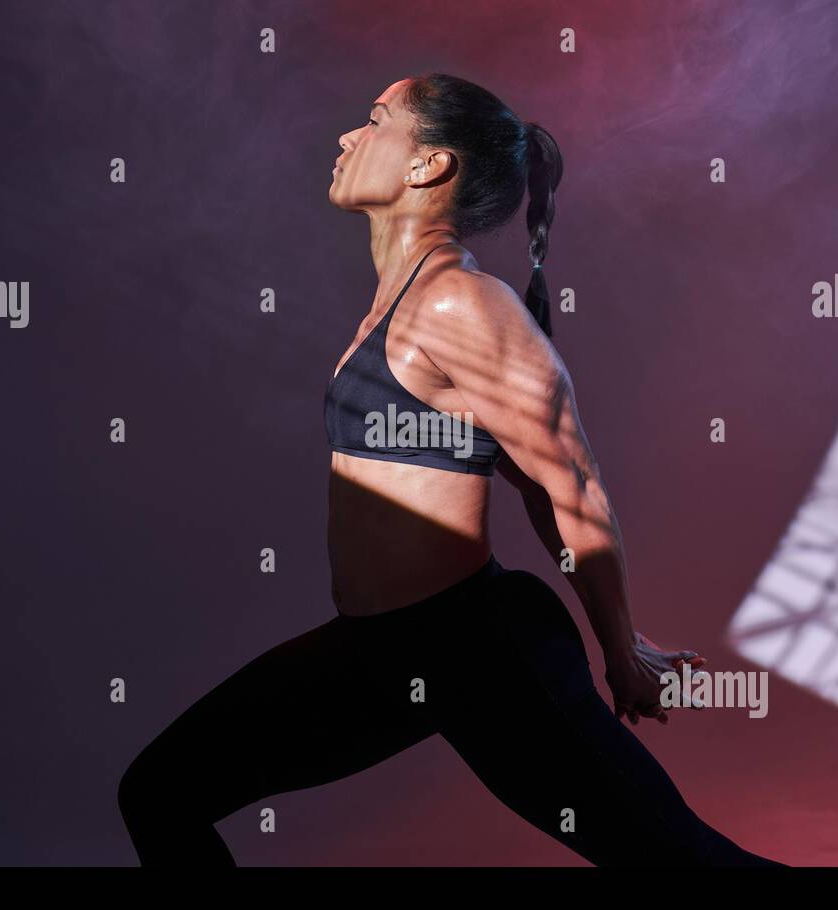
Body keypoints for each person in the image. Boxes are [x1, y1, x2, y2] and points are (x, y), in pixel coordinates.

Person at [118, 72, 780, 867]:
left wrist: (621, 654)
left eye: (373, 121)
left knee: (680, 861)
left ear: (427, 167)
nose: (346, 137)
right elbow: (532, 484)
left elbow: (571, 487)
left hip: (476, 649)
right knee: (160, 793)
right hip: (378, 652)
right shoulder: (402, 302)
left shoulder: (461, 304)